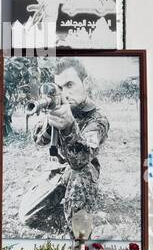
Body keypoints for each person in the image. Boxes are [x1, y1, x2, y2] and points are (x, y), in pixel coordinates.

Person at [19, 58, 110, 234]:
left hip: (82, 172)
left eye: (70, 85)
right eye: (60, 88)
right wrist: (49, 121)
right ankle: (73, 216)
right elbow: (38, 139)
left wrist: (69, 126)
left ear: (86, 83)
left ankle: (78, 229)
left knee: (79, 172)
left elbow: (81, 160)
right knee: (27, 217)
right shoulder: (58, 107)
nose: (64, 93)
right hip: (57, 171)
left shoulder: (97, 118)